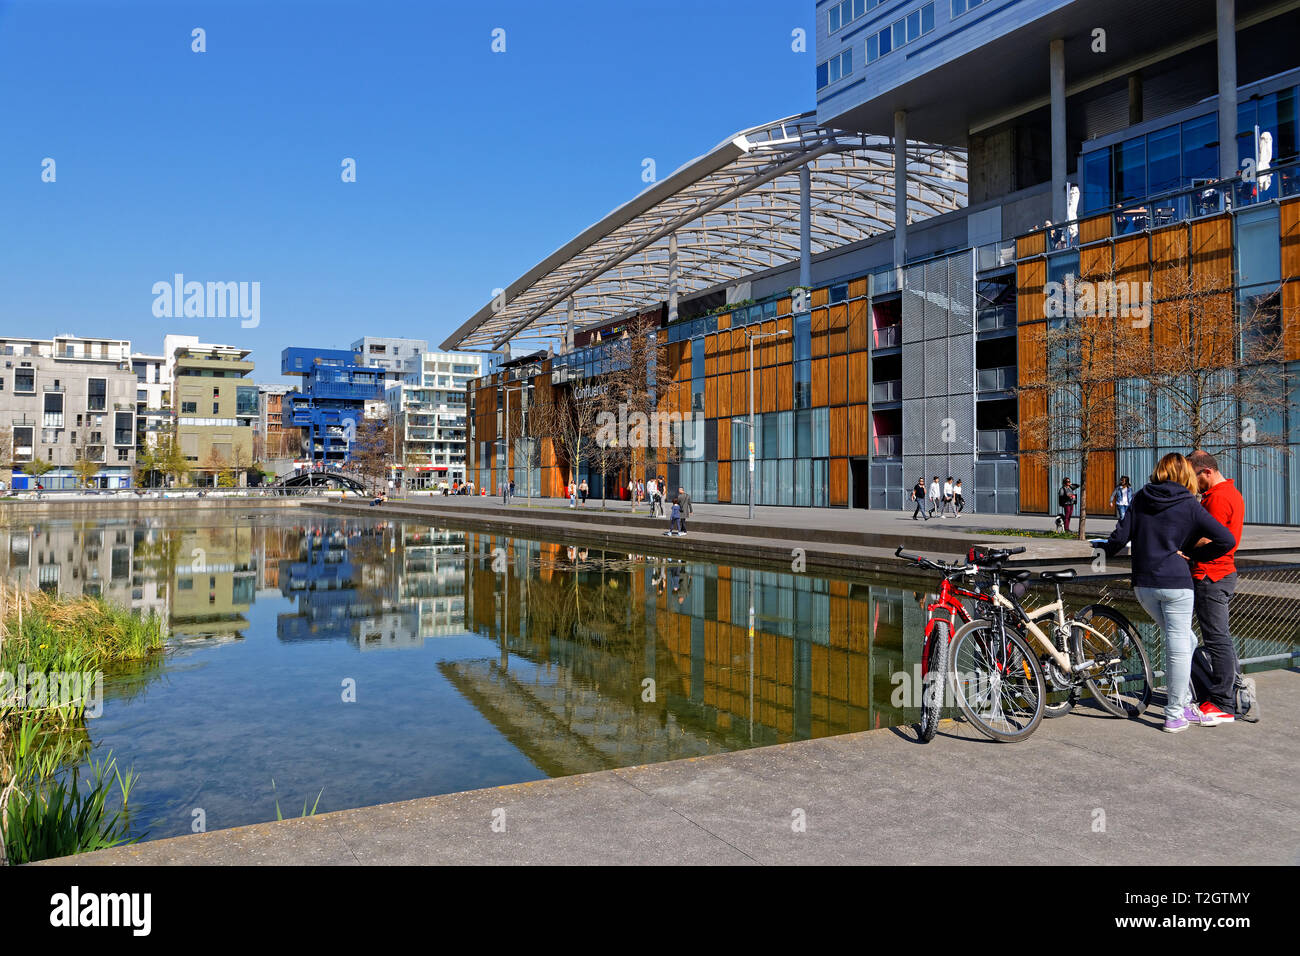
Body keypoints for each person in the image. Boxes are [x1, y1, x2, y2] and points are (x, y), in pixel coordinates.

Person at [1095, 453, 1235, 733]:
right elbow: (1227, 539)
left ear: (1158, 471)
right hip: (1176, 583)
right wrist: (1195, 555)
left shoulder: (1141, 497)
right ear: (1185, 474)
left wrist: (1099, 552)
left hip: (1144, 584)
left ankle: (1182, 701)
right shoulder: (1188, 503)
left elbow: (1119, 538)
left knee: (1186, 639)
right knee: (1178, 646)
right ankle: (1174, 713)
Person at [1187, 450, 1244, 725]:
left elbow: (1212, 539)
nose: (1192, 484)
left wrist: (1183, 544)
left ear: (1206, 472)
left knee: (1216, 639)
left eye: (1193, 478)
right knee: (1220, 638)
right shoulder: (1230, 492)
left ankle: (1222, 703)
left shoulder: (1218, 498)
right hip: (1222, 573)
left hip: (1211, 575)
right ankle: (1228, 696)